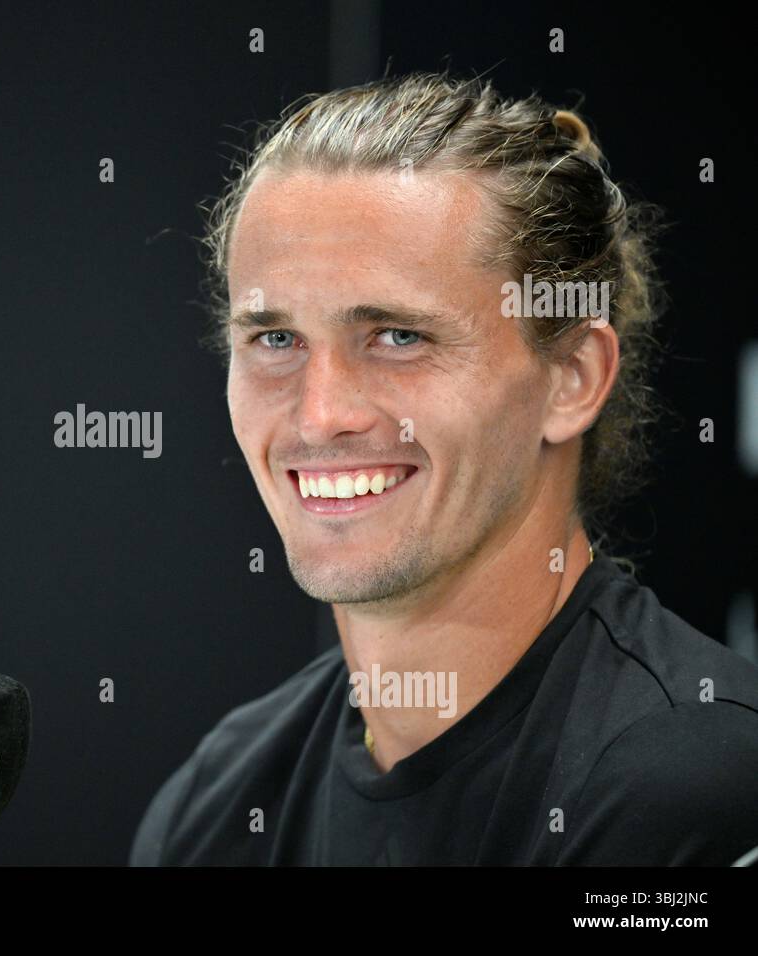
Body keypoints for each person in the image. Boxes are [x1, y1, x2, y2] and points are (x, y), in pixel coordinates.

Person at [130, 71, 758, 865]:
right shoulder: (214, 802)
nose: (321, 414)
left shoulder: (695, 792)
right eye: (275, 339)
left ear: (571, 379)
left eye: (397, 336)